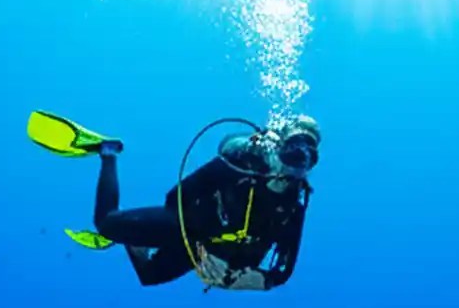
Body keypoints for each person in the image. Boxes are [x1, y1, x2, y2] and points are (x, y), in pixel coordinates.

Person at [26, 111, 319, 291]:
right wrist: (175, 229)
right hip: (186, 223)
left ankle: (133, 240)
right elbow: (177, 194)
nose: (296, 164)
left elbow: (285, 266)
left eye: (307, 157)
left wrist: (255, 281)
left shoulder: (296, 200)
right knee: (105, 225)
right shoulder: (241, 164)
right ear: (278, 146)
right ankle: (108, 153)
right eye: (292, 151)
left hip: (210, 250)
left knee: (150, 277)